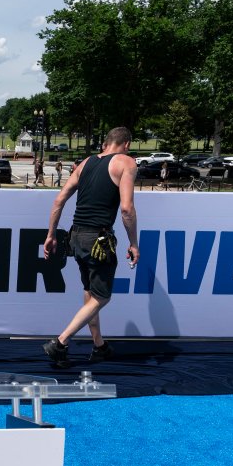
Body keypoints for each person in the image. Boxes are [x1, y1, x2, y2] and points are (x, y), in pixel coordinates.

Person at [42, 127, 139, 366]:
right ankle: (60, 342)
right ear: (126, 144)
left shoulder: (84, 163)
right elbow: (126, 209)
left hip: (76, 236)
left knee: (90, 292)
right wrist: (133, 243)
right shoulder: (126, 163)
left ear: (106, 143)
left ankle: (99, 346)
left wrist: (51, 234)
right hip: (99, 240)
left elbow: (59, 200)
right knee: (102, 296)